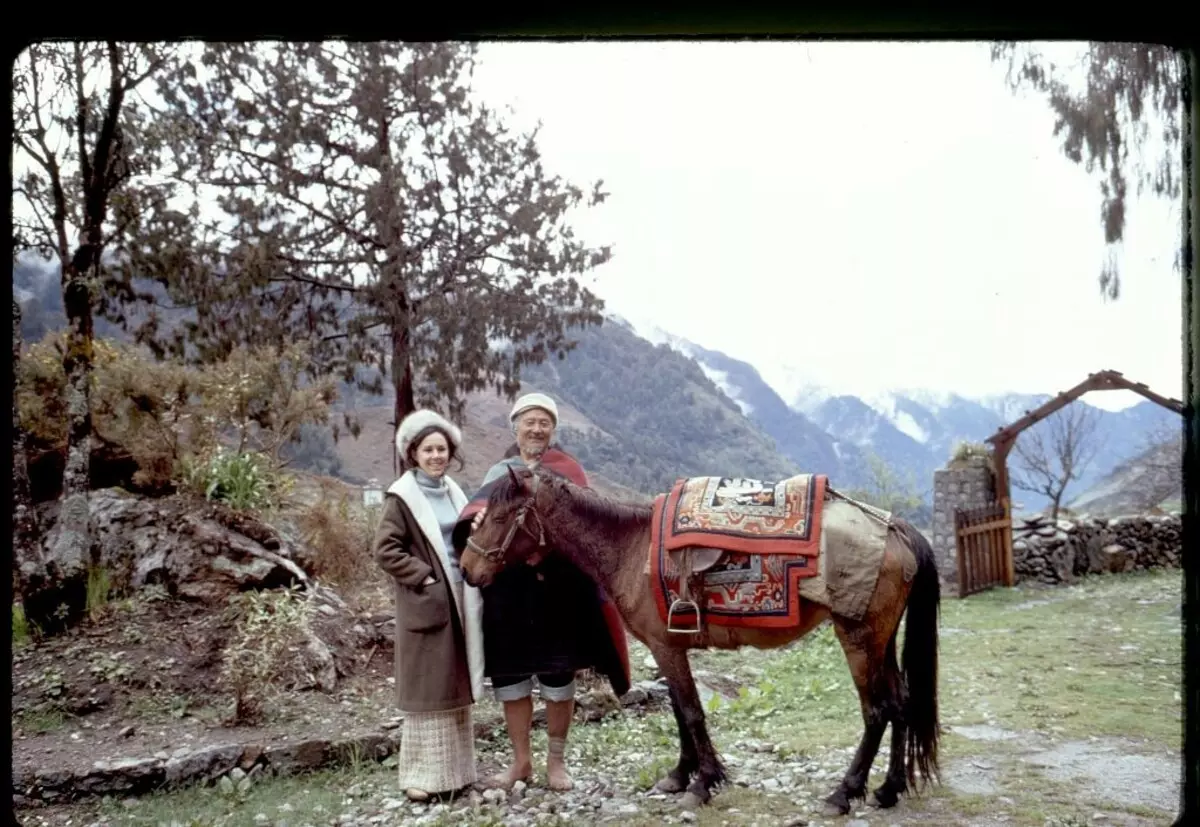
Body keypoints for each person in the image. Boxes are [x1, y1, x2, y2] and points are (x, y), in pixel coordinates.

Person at [453, 392, 630, 792]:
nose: (536, 429)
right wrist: (478, 522)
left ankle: (556, 763)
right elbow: (475, 519)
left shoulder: (567, 471)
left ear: (552, 429)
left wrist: (545, 548)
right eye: (529, 421)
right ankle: (520, 763)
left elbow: (589, 527)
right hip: (508, 595)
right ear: (514, 426)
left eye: (544, 422)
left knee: (557, 677)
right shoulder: (499, 473)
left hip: (557, 593)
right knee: (512, 679)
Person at [373, 409, 485, 803]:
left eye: (442, 449)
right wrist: (424, 576)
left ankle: (457, 774)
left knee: (454, 683)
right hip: (429, 599)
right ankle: (422, 778)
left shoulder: (455, 493)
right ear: (413, 453)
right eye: (429, 449)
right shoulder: (402, 498)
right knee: (429, 687)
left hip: (460, 596)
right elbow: (385, 549)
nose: (437, 456)